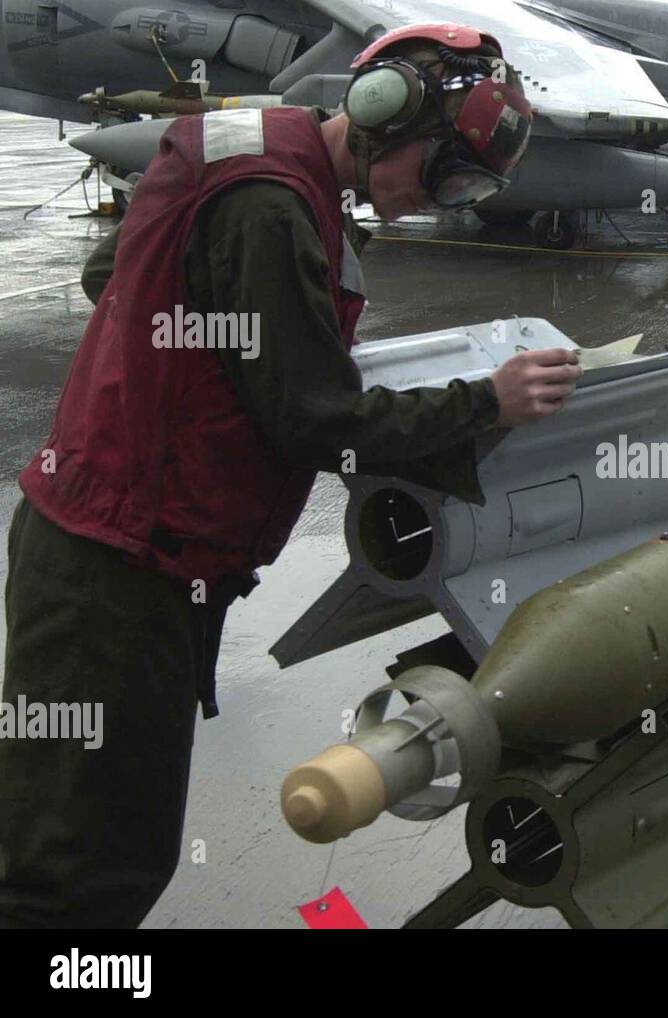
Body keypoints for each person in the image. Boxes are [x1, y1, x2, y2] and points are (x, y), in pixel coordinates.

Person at [0, 23, 582, 929]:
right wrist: (487, 402)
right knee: (82, 876)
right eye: (443, 175)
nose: (436, 201)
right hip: (117, 575)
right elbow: (314, 419)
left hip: (103, 549)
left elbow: (107, 271)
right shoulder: (272, 206)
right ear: (385, 115)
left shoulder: (258, 152)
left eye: (464, 190)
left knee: (76, 843)